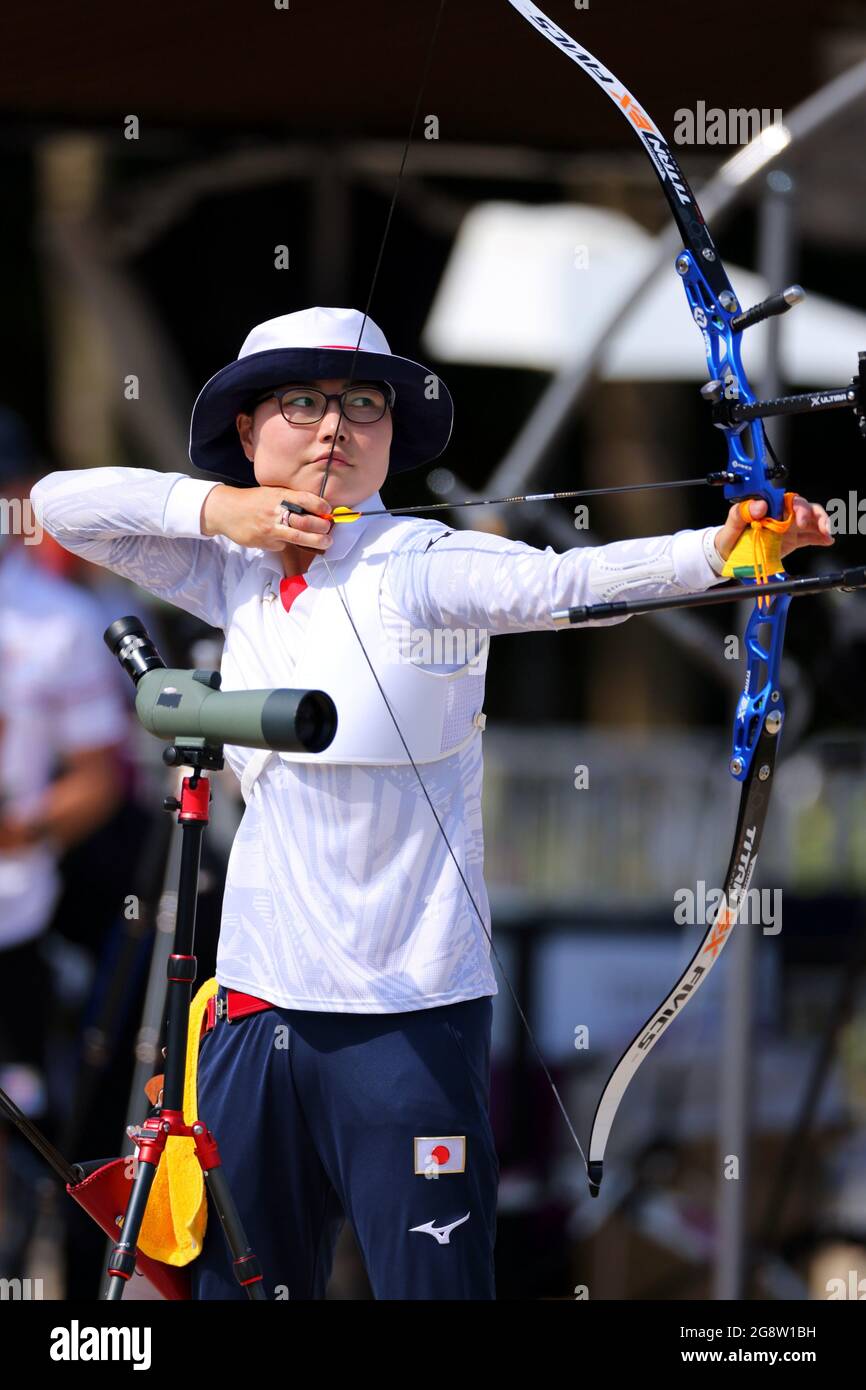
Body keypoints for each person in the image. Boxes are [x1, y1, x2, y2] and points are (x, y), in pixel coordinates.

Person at [30, 305, 833, 1299]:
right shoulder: (224, 568)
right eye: (301, 402)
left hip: (406, 1021)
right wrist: (216, 510)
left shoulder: (424, 563)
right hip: (249, 1013)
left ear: (389, 434)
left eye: (361, 404)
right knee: (241, 1291)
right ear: (247, 431)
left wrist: (723, 551)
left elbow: (574, 581)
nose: (334, 425)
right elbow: (62, 503)